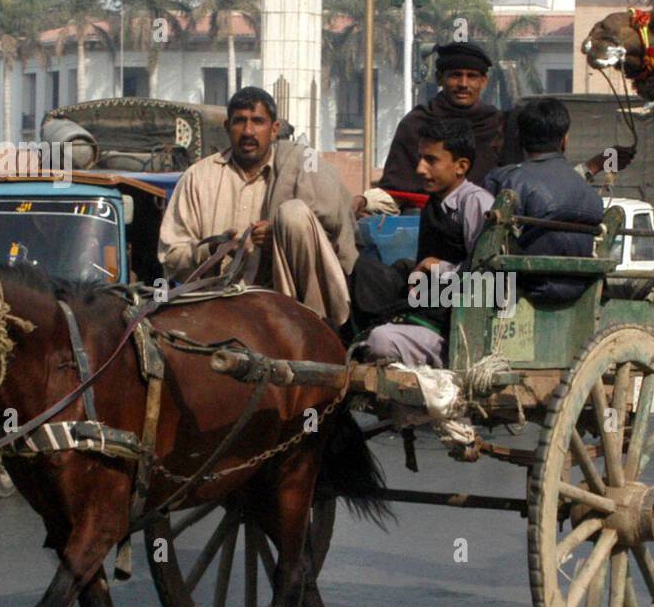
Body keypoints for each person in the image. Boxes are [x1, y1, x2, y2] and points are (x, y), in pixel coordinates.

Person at [158, 86, 356, 328]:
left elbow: (327, 241)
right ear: (227, 127)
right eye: (240, 121)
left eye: (258, 122)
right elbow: (170, 256)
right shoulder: (197, 179)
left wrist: (283, 238)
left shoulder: (297, 170)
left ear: (274, 130)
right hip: (215, 309)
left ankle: (317, 326)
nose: (248, 131)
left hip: (283, 312)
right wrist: (211, 250)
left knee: (293, 216)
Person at [360, 119, 495, 367]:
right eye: (420, 158)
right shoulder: (433, 204)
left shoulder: (475, 203)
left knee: (381, 340)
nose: (421, 169)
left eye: (431, 160)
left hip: (457, 326)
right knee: (364, 273)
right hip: (429, 306)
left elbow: (487, 275)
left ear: (461, 166)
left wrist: (438, 268)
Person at [367, 41, 521, 206]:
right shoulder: (415, 124)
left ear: (483, 81)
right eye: (455, 75)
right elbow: (395, 190)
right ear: (440, 78)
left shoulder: (499, 125)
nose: (463, 84)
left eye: (472, 76)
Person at [484, 97, 604, 302]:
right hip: (577, 292)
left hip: (518, 292)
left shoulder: (503, 179)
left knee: (426, 293)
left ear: (519, 137)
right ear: (564, 140)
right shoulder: (590, 192)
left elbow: (482, 247)